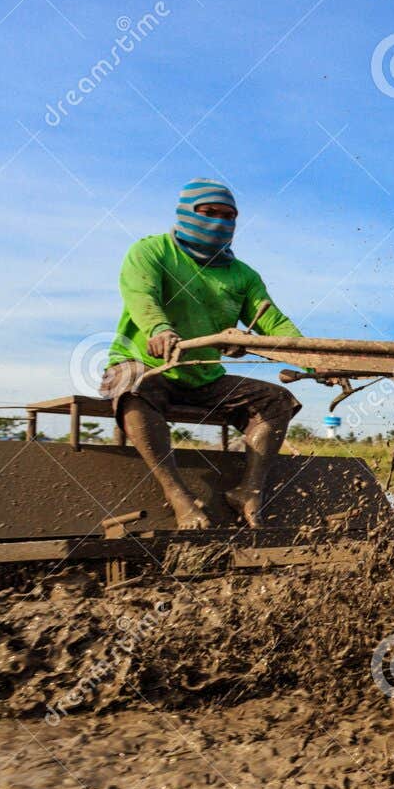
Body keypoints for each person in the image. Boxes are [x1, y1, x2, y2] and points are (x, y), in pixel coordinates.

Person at [100, 177, 301, 529]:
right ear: (186, 212)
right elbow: (142, 297)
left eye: (229, 217)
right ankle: (178, 496)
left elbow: (276, 323)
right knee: (131, 384)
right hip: (149, 366)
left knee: (277, 400)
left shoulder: (242, 275)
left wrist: (318, 362)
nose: (220, 223)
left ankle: (249, 491)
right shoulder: (152, 252)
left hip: (204, 376)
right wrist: (160, 330)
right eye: (209, 213)